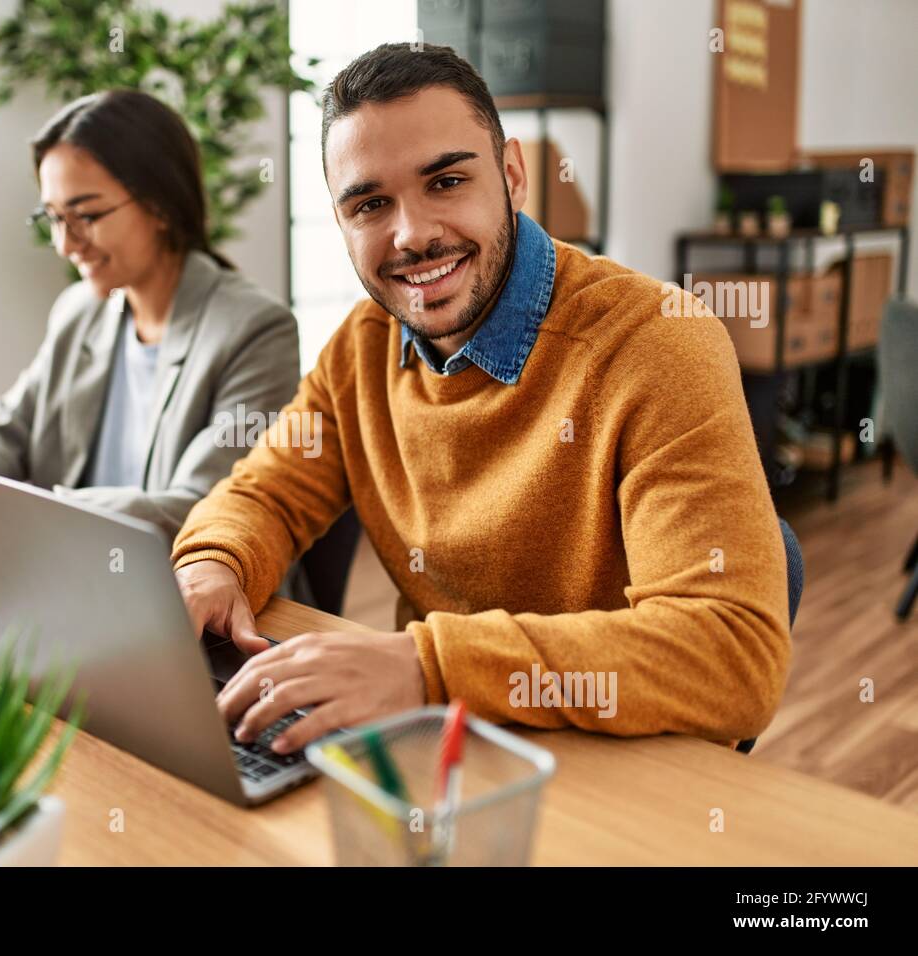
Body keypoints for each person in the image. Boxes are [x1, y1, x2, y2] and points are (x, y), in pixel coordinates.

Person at [172, 43, 791, 755]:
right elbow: (264, 493)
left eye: (446, 181)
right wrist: (212, 562)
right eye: (371, 203)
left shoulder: (657, 345)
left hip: (621, 762)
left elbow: (732, 653)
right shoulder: (363, 343)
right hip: (443, 748)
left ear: (513, 175)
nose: (412, 234)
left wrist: (430, 667)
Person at [0, 89, 300, 568]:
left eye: (87, 216)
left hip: (189, 593)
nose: (65, 244)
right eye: (54, 218)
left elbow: (203, 506)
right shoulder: (81, 310)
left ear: (160, 205)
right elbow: (10, 430)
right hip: (75, 572)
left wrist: (13, 513)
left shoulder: (254, 330)